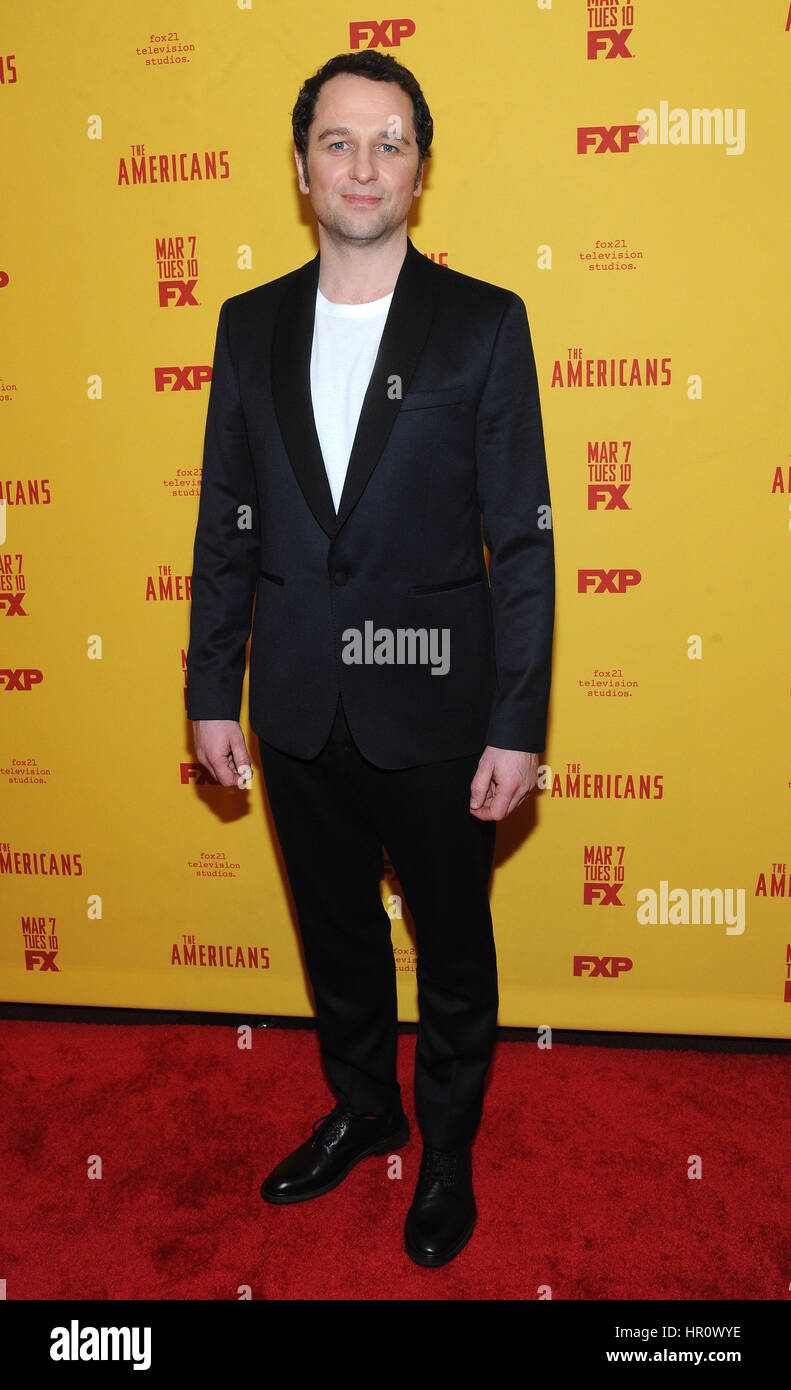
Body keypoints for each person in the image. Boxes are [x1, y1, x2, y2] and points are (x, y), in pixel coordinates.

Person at [186, 49, 554, 1267]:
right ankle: (364, 1106)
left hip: (440, 707)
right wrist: (211, 689)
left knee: (450, 942)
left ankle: (443, 1146)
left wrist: (517, 722)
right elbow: (226, 524)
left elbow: (522, 542)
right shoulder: (246, 326)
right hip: (294, 699)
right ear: (301, 169)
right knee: (335, 932)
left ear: (418, 170)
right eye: (337, 141)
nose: (362, 164)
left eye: (388, 142)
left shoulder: (483, 323)